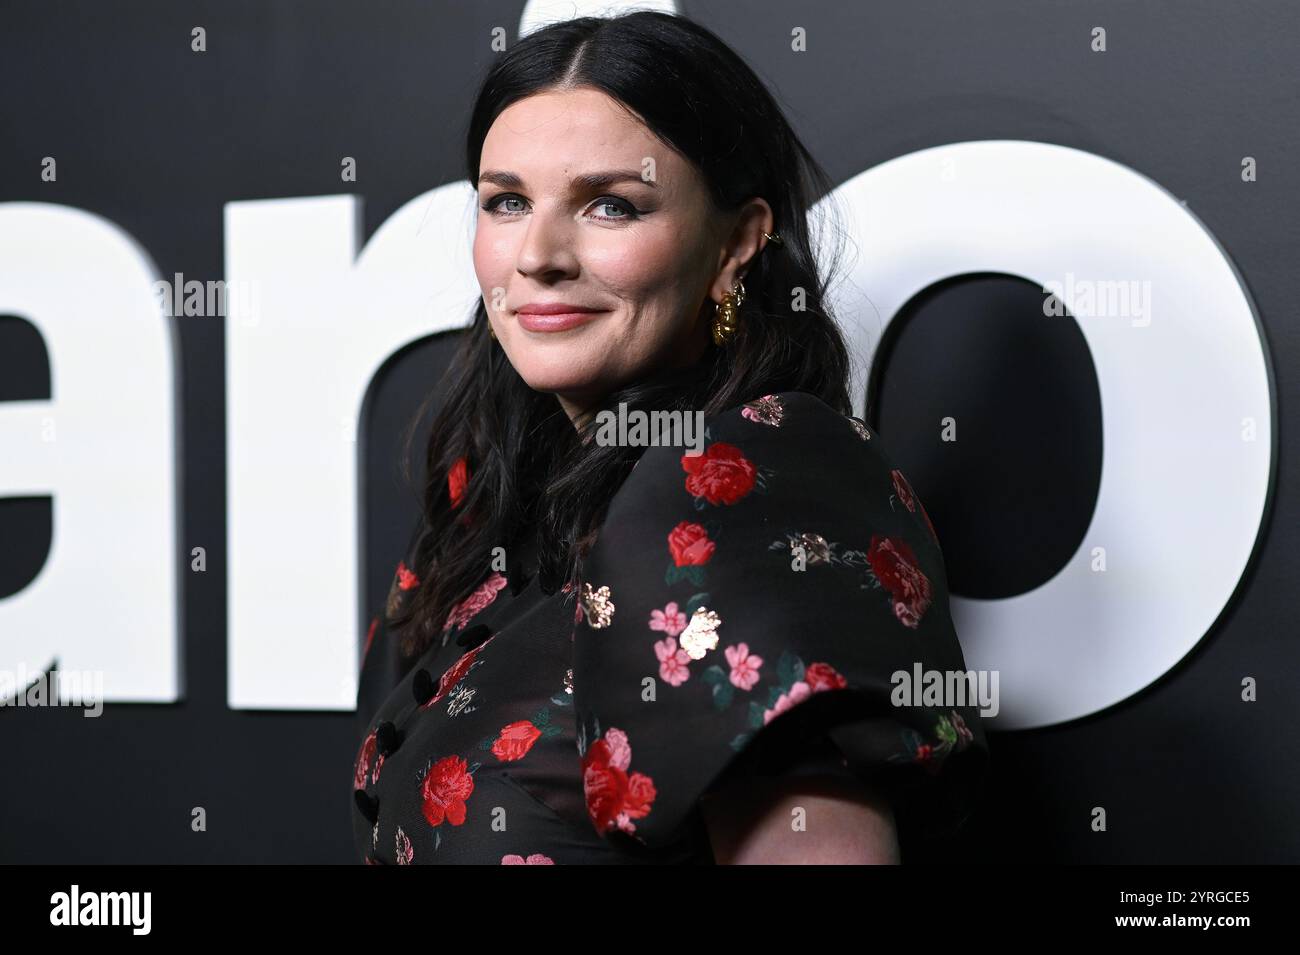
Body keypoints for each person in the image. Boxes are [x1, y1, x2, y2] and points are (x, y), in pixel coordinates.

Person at [351, 10, 988, 865]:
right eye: (507, 201)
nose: (537, 254)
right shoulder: (486, 522)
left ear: (736, 243)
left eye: (610, 205)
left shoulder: (737, 493)